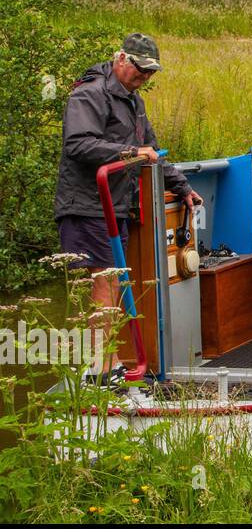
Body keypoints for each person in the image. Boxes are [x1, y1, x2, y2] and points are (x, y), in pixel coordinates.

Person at [56, 33, 203, 383]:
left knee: (116, 284)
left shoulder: (134, 101)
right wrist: (129, 154)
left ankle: (109, 362)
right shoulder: (89, 93)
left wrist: (182, 187)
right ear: (121, 58)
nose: (144, 78)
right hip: (87, 205)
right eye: (140, 70)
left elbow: (151, 151)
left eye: (150, 73)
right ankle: (100, 369)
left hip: (115, 206)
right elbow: (78, 144)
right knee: (104, 284)